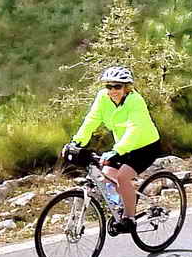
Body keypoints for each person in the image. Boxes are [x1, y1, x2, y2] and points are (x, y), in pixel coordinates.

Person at [63, 65, 166, 236]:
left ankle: (130, 218)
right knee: (106, 175)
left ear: (127, 87)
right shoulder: (103, 98)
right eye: (109, 86)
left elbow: (135, 128)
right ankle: (122, 204)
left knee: (122, 177)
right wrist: (76, 142)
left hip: (145, 146)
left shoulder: (135, 101)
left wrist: (116, 150)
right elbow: (92, 119)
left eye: (117, 86)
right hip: (123, 146)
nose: (112, 90)